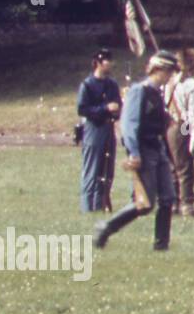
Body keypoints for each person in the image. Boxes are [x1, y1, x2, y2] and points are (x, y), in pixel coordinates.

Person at [95, 51, 181, 251]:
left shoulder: (157, 94)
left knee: (168, 198)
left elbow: (159, 120)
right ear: (158, 70)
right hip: (143, 149)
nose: (170, 76)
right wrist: (134, 152)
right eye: (168, 71)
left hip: (158, 148)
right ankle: (106, 227)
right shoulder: (139, 91)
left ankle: (162, 245)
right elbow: (129, 124)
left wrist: (172, 122)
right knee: (145, 203)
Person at [77, 48, 122, 213]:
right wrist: (105, 108)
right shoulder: (87, 85)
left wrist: (117, 110)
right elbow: (83, 109)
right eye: (106, 60)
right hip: (94, 129)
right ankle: (88, 207)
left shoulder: (112, 84)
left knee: (107, 170)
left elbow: (118, 103)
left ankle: (102, 203)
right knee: (92, 170)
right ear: (97, 63)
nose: (109, 63)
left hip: (109, 129)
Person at [165, 48, 194, 216]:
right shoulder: (191, 85)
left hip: (168, 125)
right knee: (185, 166)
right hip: (182, 125)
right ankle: (186, 203)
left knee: (173, 166)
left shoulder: (169, 82)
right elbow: (193, 114)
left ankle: (173, 202)